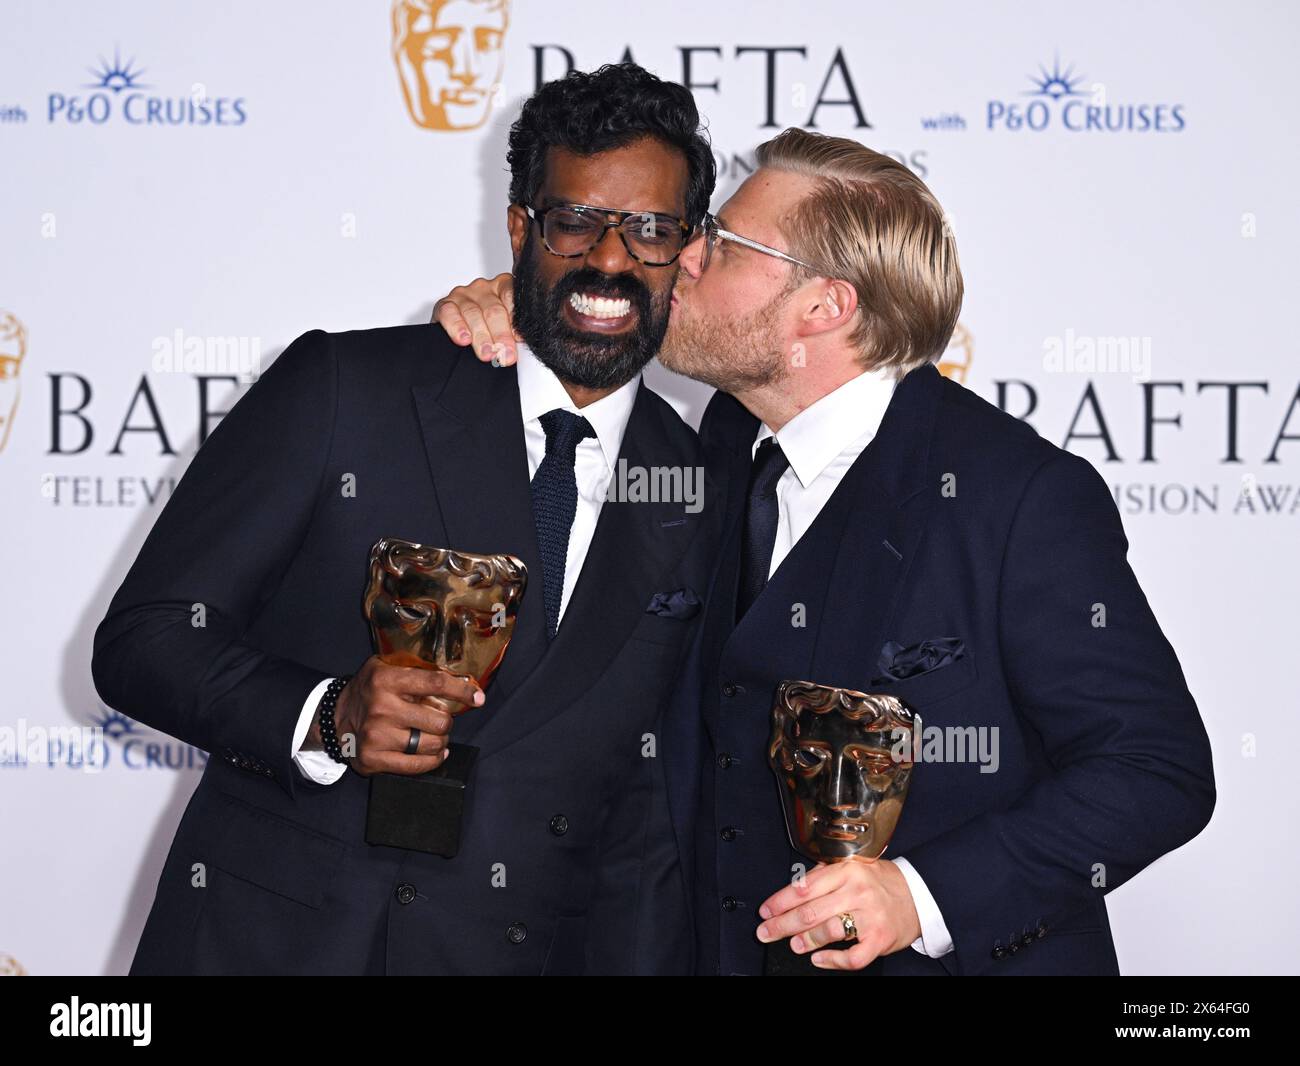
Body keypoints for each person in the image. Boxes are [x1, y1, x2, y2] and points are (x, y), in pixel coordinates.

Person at [433, 127, 1217, 975]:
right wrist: (529, 315)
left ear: (825, 306)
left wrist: (920, 896)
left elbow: (1156, 769)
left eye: (719, 242)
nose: (684, 257)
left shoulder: (1015, 496)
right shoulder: (720, 444)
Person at [92, 62, 718, 975]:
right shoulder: (348, 389)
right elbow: (144, 641)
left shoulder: (697, 483)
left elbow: (649, 818)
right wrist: (327, 715)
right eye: (575, 220)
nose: (611, 260)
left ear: (689, 251)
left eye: (650, 230)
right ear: (520, 228)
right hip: (285, 946)